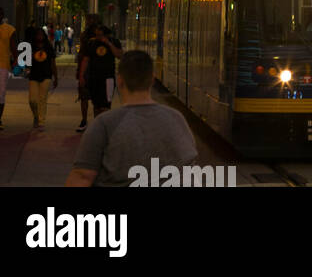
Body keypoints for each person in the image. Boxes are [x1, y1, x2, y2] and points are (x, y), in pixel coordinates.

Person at [65, 51, 197, 187]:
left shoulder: (105, 124)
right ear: (152, 79)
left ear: (120, 80)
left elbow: (82, 177)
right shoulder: (176, 119)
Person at [77, 23, 122, 128]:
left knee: (106, 105)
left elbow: (119, 55)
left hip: (108, 78)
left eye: (100, 35)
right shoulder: (92, 43)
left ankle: (104, 126)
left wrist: (109, 44)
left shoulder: (114, 42)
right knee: (96, 105)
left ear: (106, 35)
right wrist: (81, 75)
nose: (98, 37)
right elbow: (86, 60)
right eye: (97, 35)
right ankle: (98, 126)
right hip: (94, 78)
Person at [26, 27, 58, 130]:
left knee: (42, 99)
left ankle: (41, 121)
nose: (39, 36)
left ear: (44, 36)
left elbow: (53, 63)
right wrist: (27, 69)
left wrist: (56, 77)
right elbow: (27, 61)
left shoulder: (48, 47)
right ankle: (36, 116)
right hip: (34, 76)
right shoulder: (31, 46)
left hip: (46, 75)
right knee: (32, 100)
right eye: (37, 34)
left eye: (41, 34)